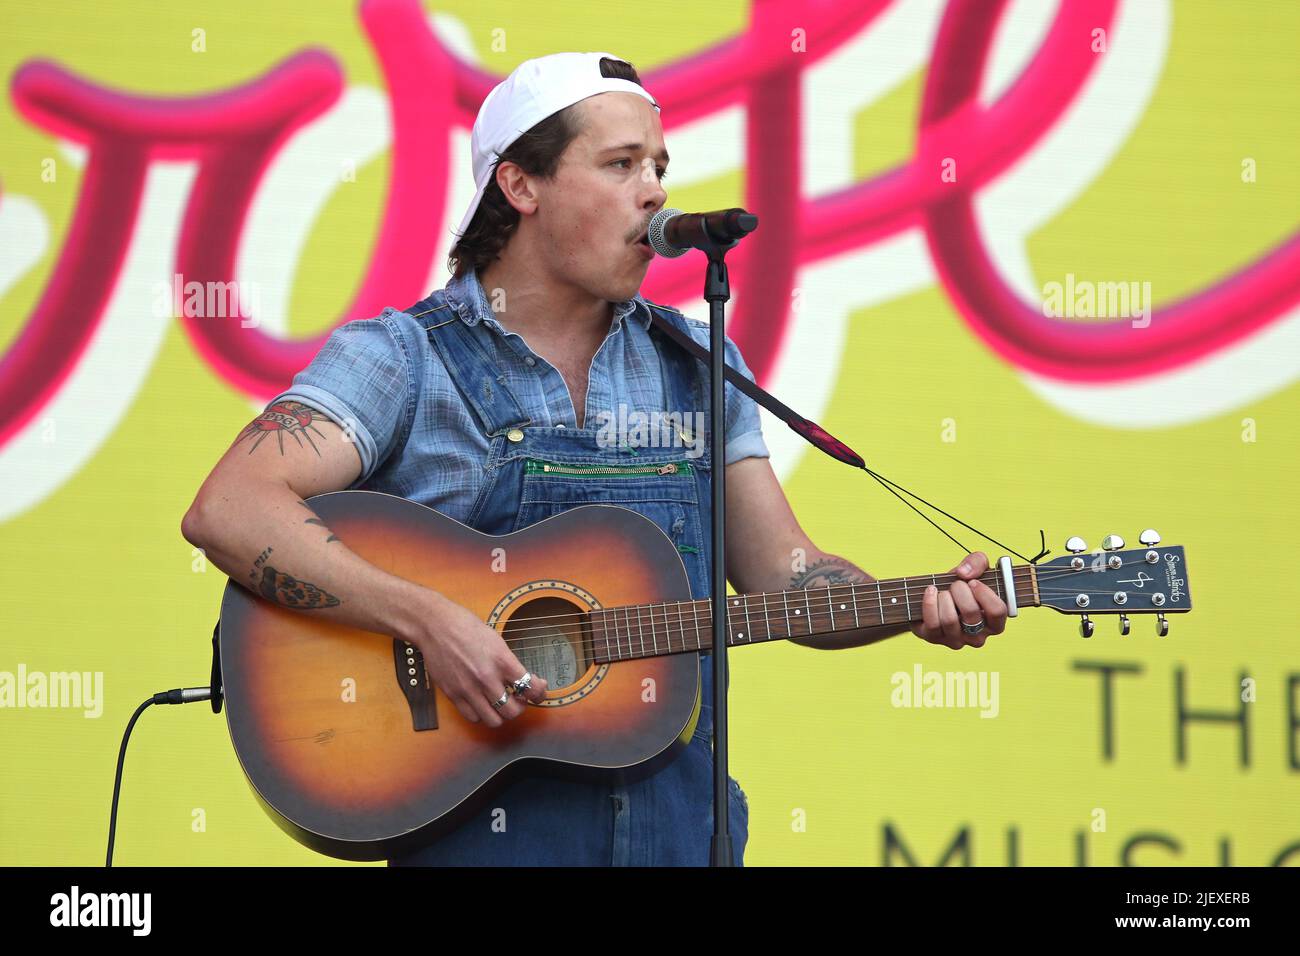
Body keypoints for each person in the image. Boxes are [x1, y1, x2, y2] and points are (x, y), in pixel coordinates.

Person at [181, 51, 1009, 867]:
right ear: (521, 185)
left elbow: (786, 579)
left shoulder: (698, 364)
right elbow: (231, 508)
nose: (654, 190)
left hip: (682, 837)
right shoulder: (403, 359)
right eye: (620, 164)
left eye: (658, 166)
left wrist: (919, 603)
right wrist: (426, 619)